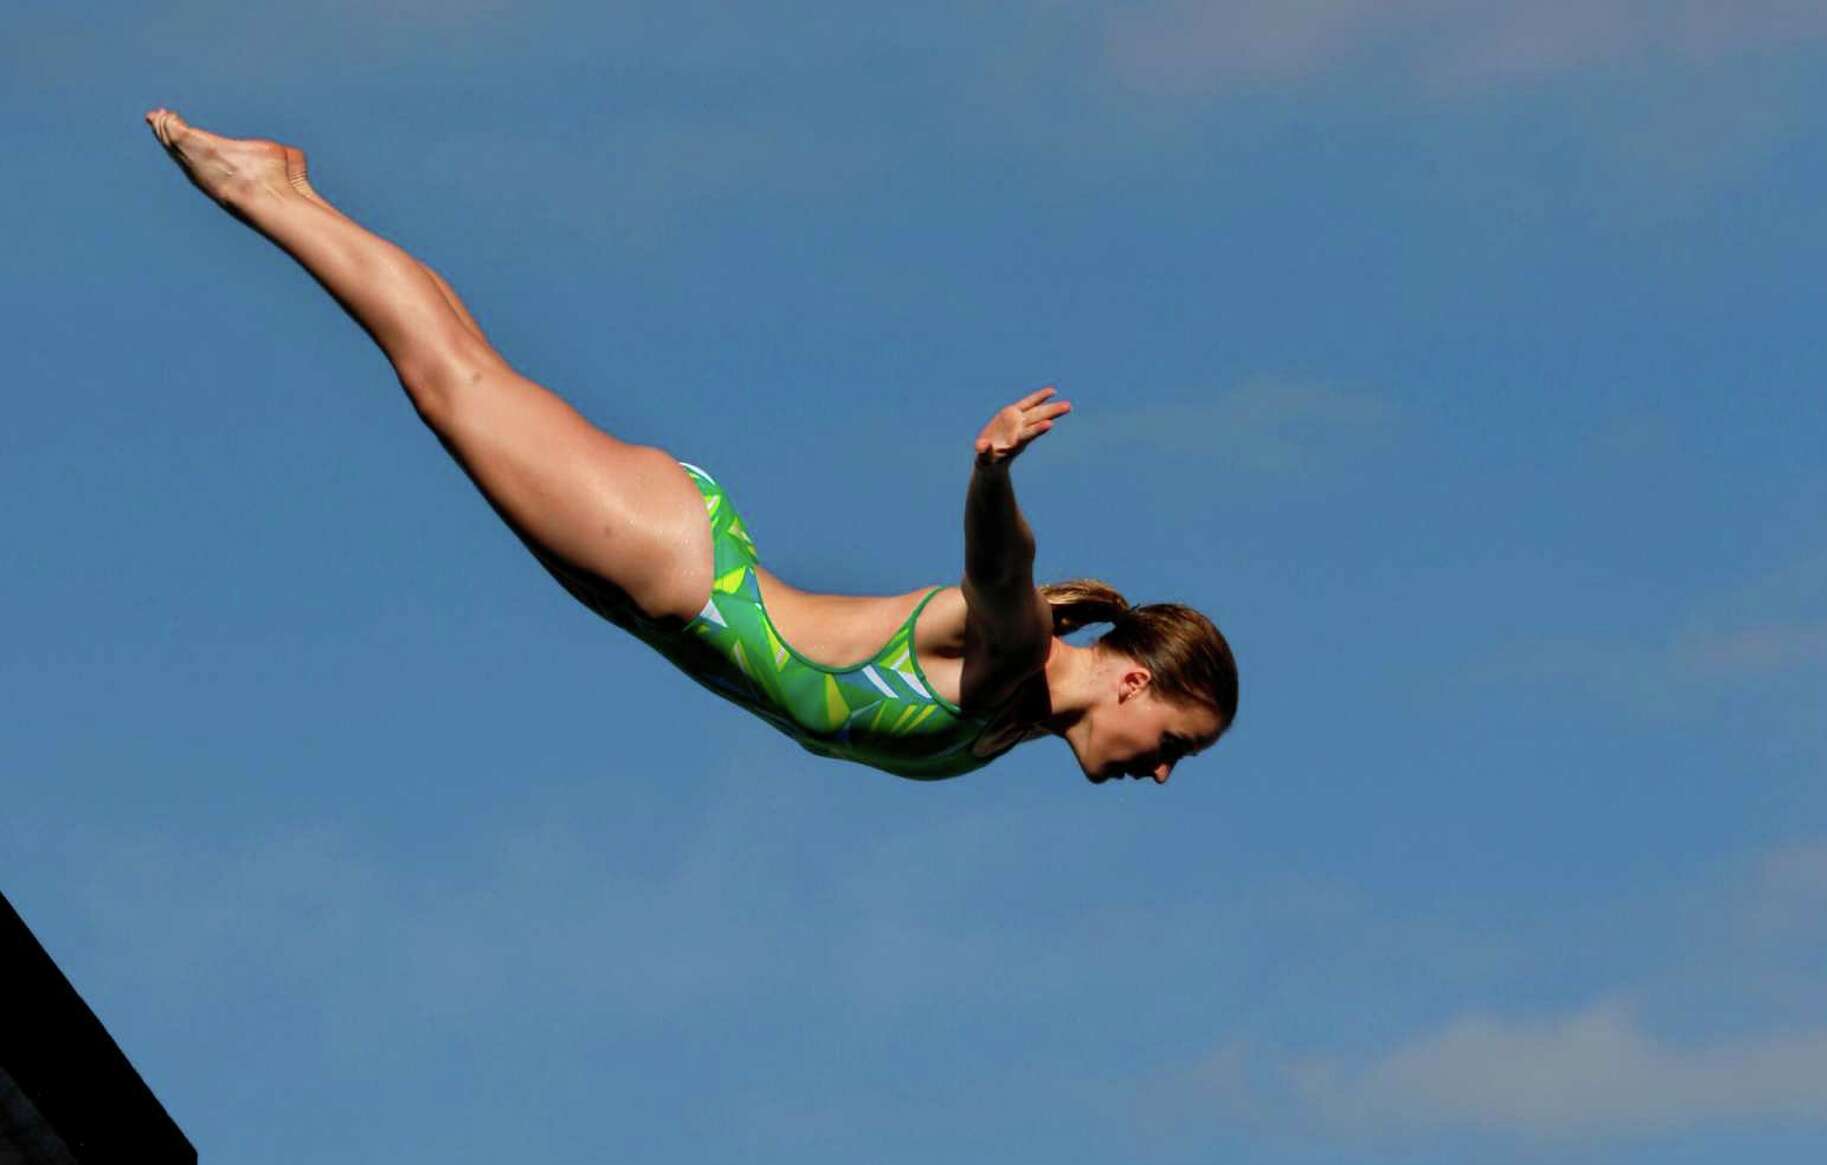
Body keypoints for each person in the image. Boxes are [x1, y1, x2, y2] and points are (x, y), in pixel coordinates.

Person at [145, 111, 1236, 787]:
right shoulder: (1016, 661)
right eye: (1176, 743)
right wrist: (990, 472)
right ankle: (264, 189)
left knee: (463, 381)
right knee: (454, 383)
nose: (1164, 775)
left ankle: (286, 188)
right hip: (679, 565)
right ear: (1135, 681)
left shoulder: (1020, 722)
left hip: (658, 599)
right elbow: (1002, 572)